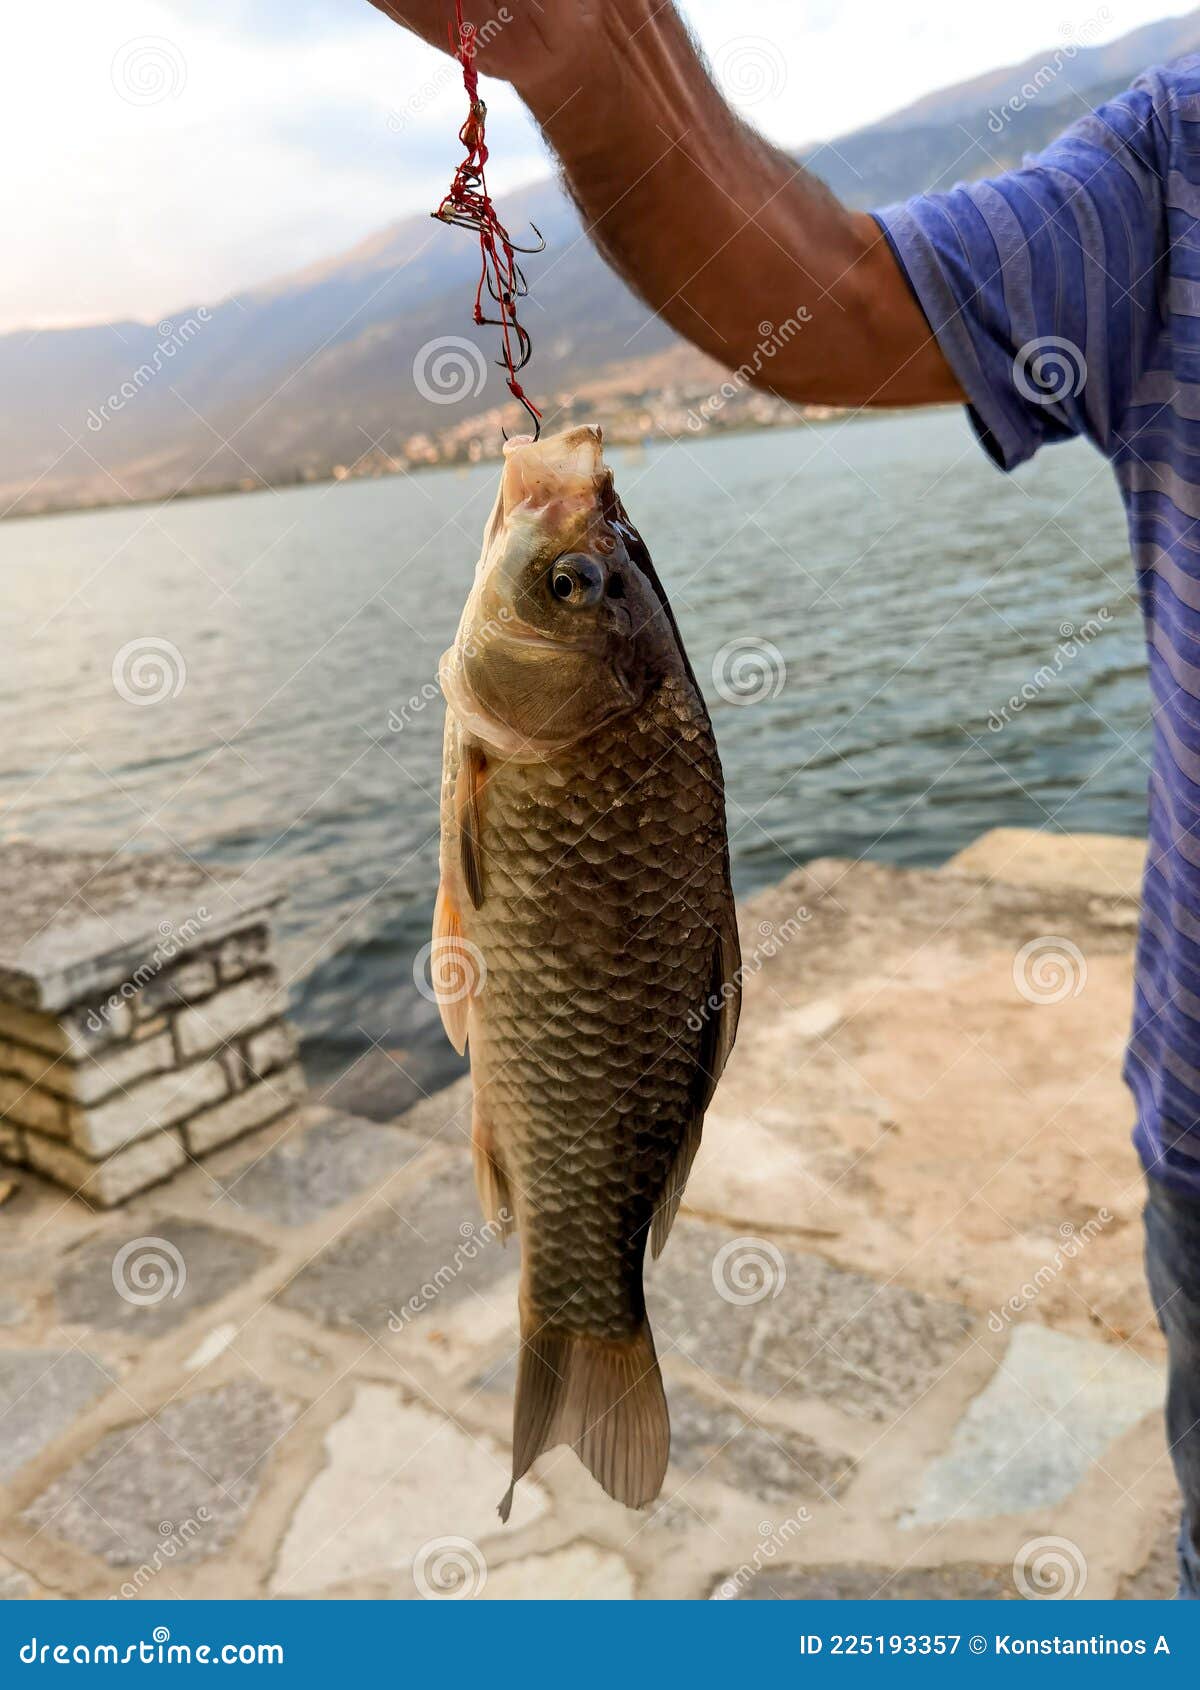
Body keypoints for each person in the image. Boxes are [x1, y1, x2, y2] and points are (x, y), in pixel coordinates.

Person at [372, 0, 1200, 1596]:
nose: (561, 565)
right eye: (572, 585)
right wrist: (590, 48)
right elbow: (821, 298)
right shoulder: (1179, 154)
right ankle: (584, 1309)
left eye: (570, 583)